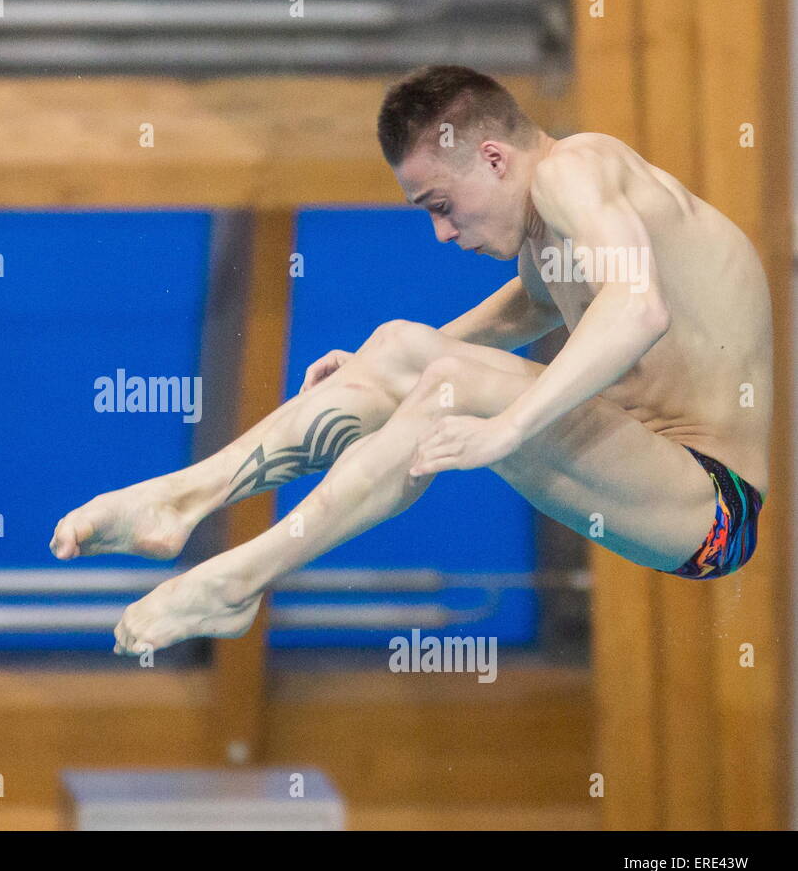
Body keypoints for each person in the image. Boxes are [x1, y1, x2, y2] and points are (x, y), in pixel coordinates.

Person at [49, 65, 772, 655]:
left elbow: (638, 307)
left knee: (449, 381)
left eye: (442, 204)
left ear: (493, 156)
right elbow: (533, 305)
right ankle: (182, 498)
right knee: (398, 344)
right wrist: (375, 372)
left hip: (710, 506)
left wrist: (509, 426)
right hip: (647, 474)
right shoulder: (553, 224)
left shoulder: (574, 171)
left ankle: (239, 580)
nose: (441, 233)